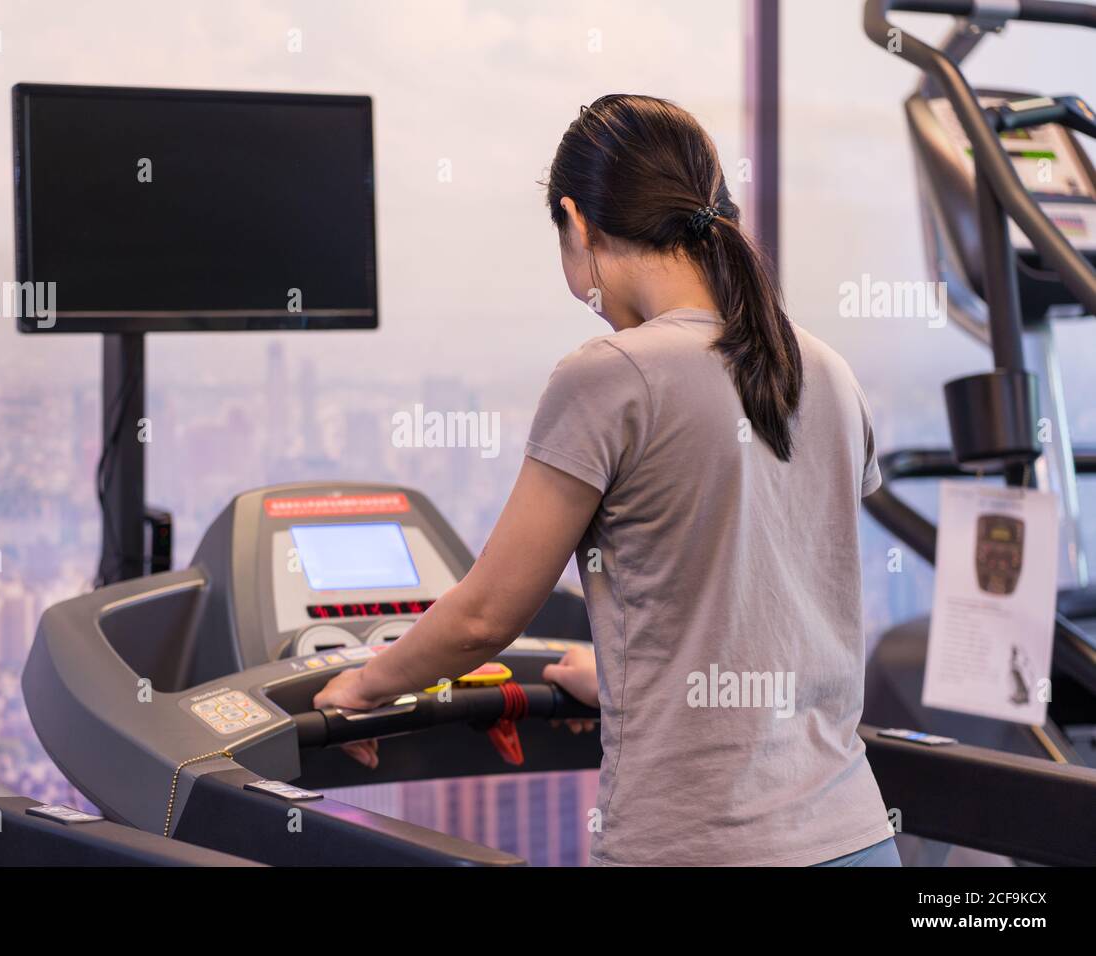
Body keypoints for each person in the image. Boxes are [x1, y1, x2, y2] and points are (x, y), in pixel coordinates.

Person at [314, 93, 898, 867]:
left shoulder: (612, 376)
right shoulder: (823, 367)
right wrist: (632, 676)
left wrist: (363, 687)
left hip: (701, 849)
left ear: (577, 221)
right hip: (856, 837)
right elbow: (769, 597)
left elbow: (485, 617)